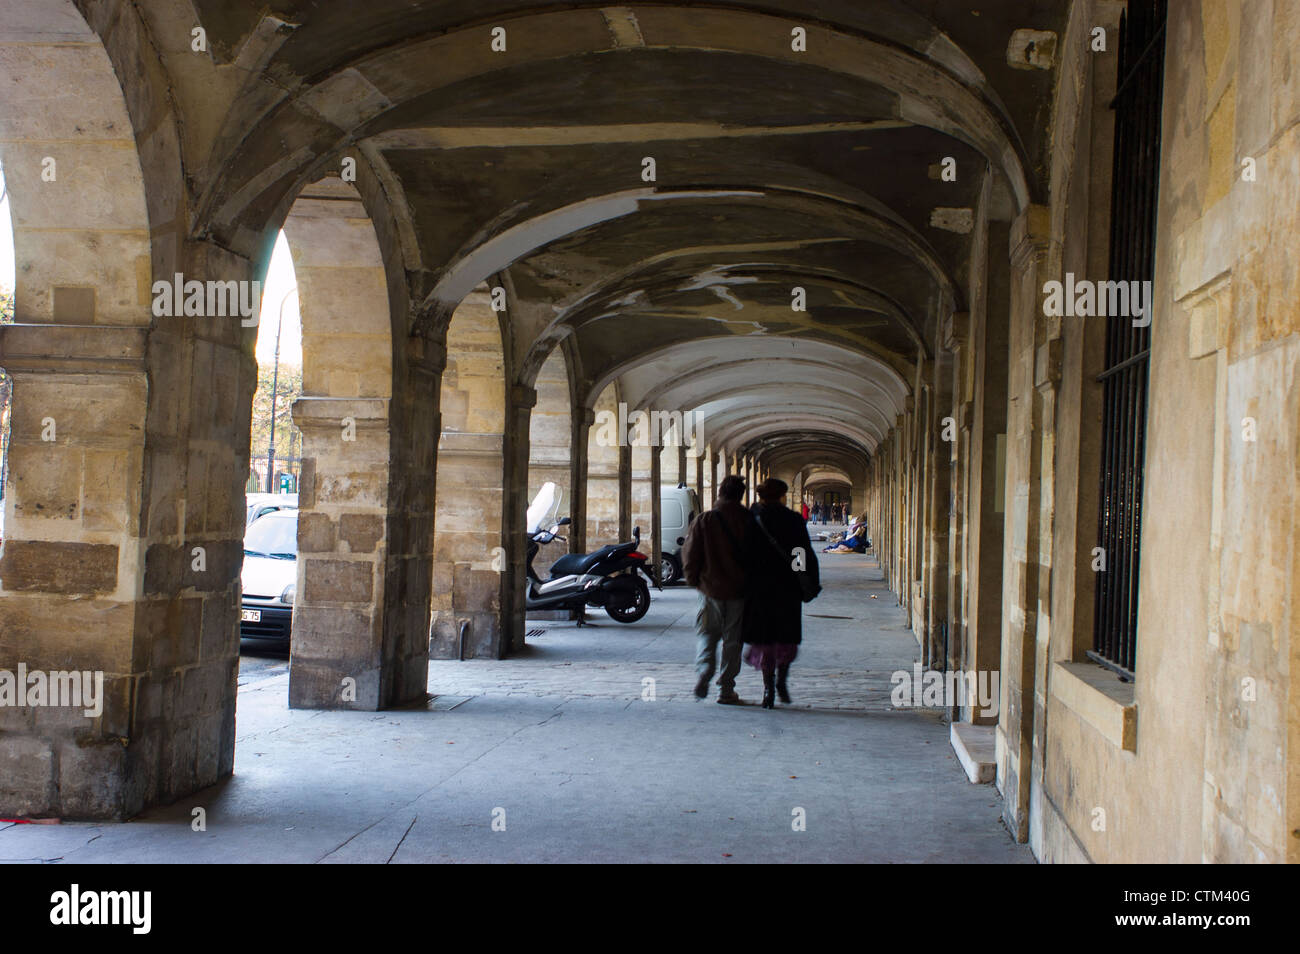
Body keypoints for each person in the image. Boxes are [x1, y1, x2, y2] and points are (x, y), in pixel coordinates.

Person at [743, 478, 819, 709]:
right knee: (785, 636)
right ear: (783, 496)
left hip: (759, 587)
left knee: (765, 638)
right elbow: (800, 551)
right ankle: (782, 682)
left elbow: (742, 553)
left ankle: (768, 686)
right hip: (786, 587)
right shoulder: (793, 519)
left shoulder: (750, 519)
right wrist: (799, 577)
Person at [682, 474, 755, 705]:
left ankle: (705, 669)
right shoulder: (748, 520)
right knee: (733, 640)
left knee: (707, 633)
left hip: (710, 589)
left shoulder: (705, 519)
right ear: (740, 495)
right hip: (739, 591)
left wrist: (694, 580)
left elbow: (690, 552)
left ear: (720, 493)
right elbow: (759, 557)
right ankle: (726, 688)